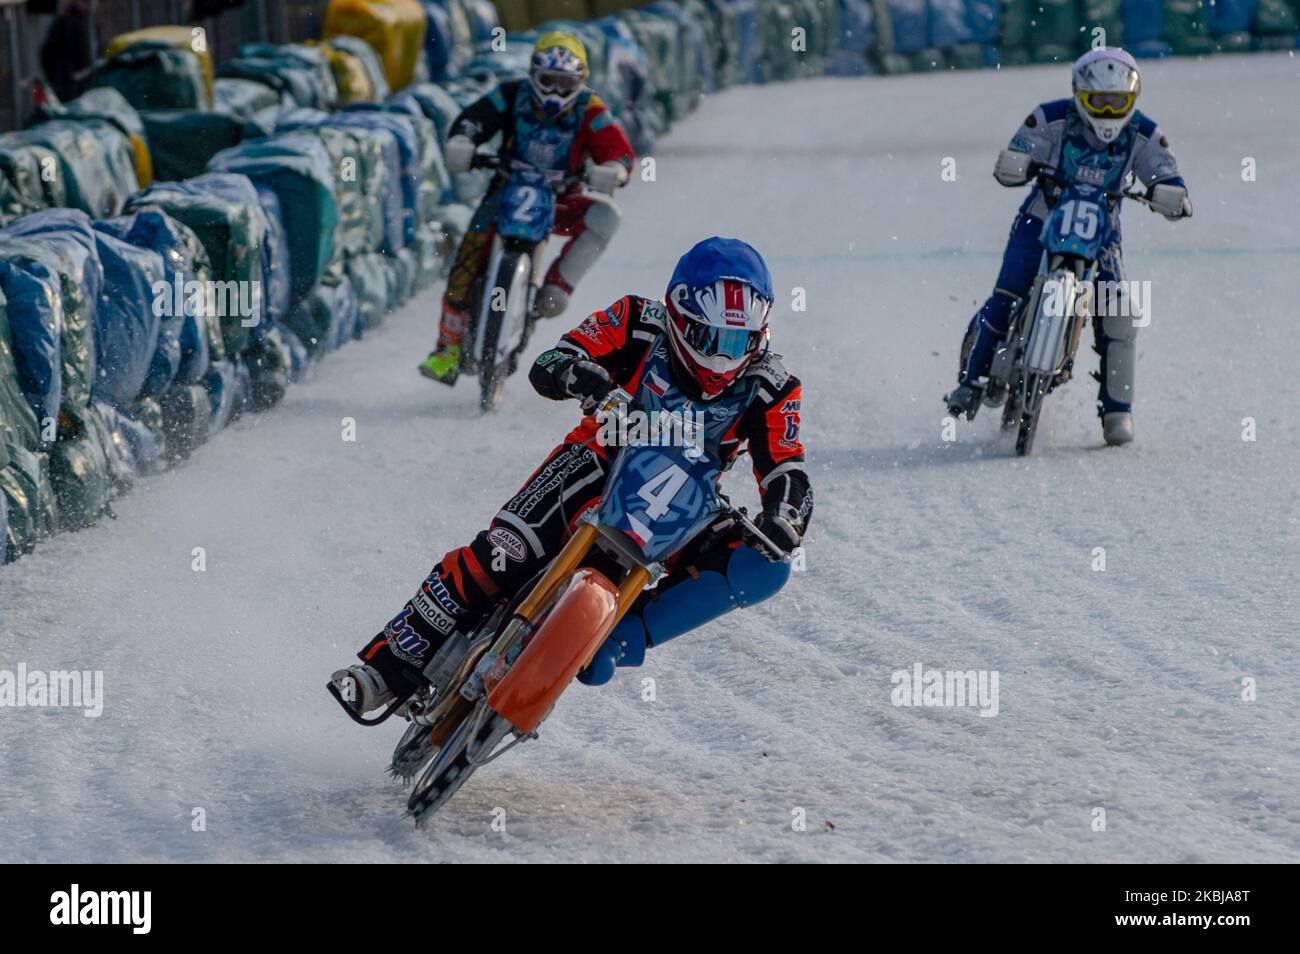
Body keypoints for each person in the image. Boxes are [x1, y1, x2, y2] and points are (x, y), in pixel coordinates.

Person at [334, 237, 813, 715]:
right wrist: (585, 379)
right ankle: (384, 668)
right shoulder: (637, 321)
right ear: (678, 316)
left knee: (766, 565)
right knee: (502, 554)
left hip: (683, 504)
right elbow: (551, 362)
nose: (721, 360)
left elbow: (786, 466)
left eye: (737, 343)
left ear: (760, 333)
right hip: (599, 460)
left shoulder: (772, 385)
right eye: (709, 338)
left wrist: (784, 520)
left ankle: (620, 636)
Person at [944, 48, 1192, 446]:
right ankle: (970, 381)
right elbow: (1016, 154)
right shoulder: (1049, 118)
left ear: (1133, 100)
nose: (1109, 113)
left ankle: (1117, 412)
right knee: (1006, 293)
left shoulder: (1146, 134)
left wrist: (1173, 195)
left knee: (1118, 311)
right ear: (1079, 95)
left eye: (1119, 103)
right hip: (1041, 217)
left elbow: (1169, 175)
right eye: (1099, 102)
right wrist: (1016, 163)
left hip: (1102, 231)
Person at [418, 32, 636, 385]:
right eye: (548, 80)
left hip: (564, 197)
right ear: (533, 74)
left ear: (580, 82)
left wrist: (614, 169)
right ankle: (448, 348)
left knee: (606, 215)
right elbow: (473, 118)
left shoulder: (591, 109)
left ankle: (557, 287)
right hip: (507, 191)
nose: (555, 91)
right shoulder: (511, 94)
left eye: (565, 83)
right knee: (467, 258)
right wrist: (463, 141)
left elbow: (618, 149)